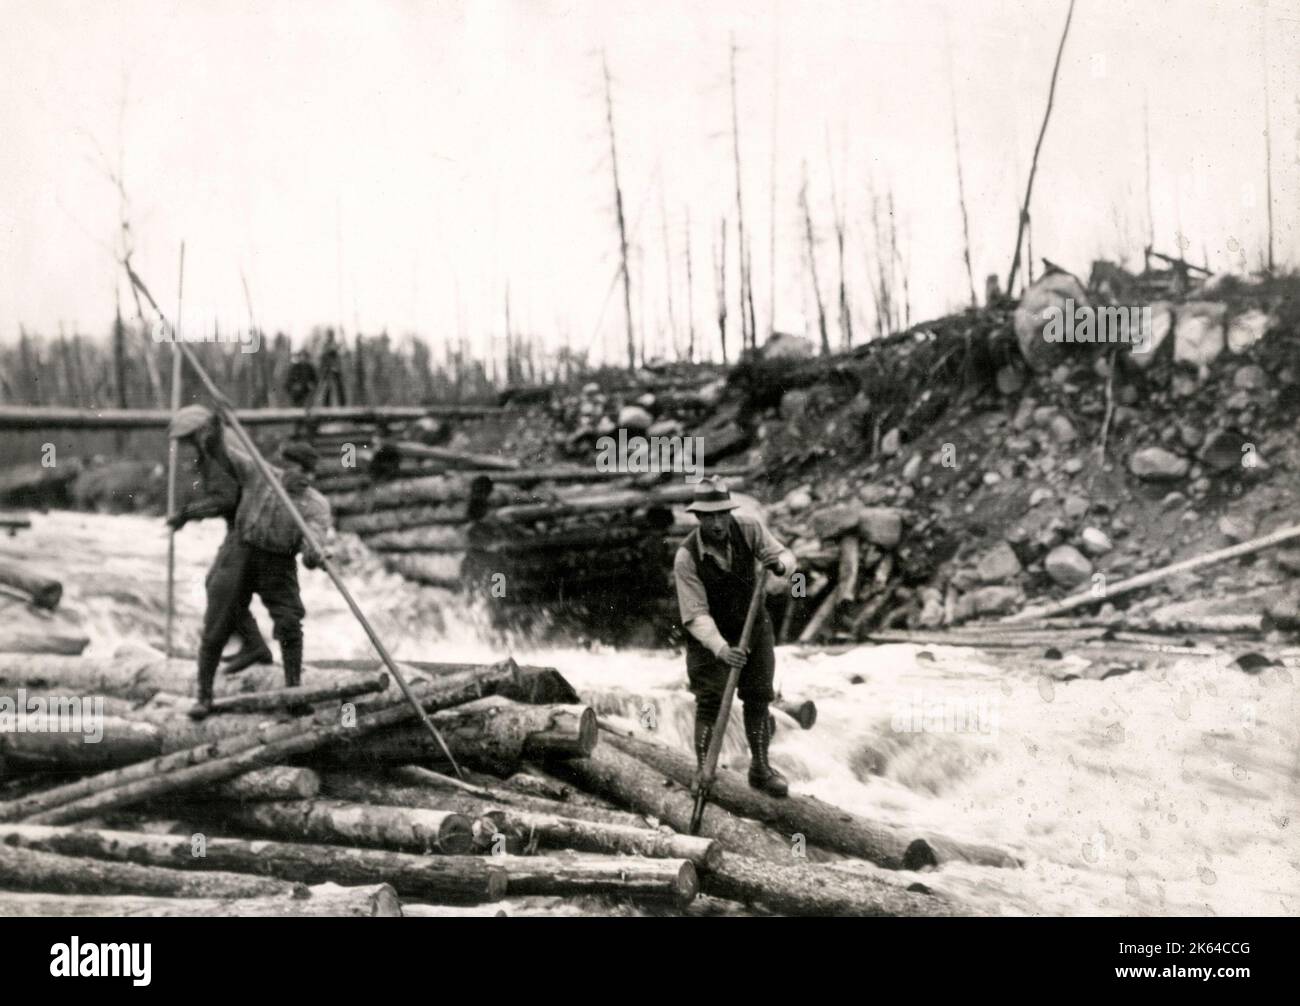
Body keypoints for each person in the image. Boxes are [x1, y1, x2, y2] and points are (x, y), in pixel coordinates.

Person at [190, 438, 332, 719]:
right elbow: (225, 453)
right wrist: (210, 435)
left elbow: (311, 545)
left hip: (279, 561)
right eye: (293, 470)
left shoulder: (316, 504)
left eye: (306, 474)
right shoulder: (260, 474)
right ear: (284, 467)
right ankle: (204, 696)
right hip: (242, 550)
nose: (299, 478)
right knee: (218, 620)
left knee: (290, 622)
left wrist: (315, 555)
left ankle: (294, 694)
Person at [673, 477, 796, 797]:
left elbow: (786, 556)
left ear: (729, 512)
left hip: (753, 624)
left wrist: (780, 566)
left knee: (758, 695)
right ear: (698, 517)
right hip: (709, 636)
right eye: (709, 516)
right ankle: (704, 771)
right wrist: (721, 649)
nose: (717, 523)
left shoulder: (749, 529)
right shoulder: (687, 557)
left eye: (721, 514)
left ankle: (761, 769)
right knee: (710, 700)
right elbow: (696, 615)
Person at [166, 406, 272, 678]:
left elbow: (225, 499)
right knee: (221, 585)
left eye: (189, 439)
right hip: (252, 521)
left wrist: (186, 514)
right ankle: (255, 645)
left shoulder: (218, 449)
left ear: (200, 432)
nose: (188, 446)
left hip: (250, 525)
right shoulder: (224, 439)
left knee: (220, 586)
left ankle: (255, 646)